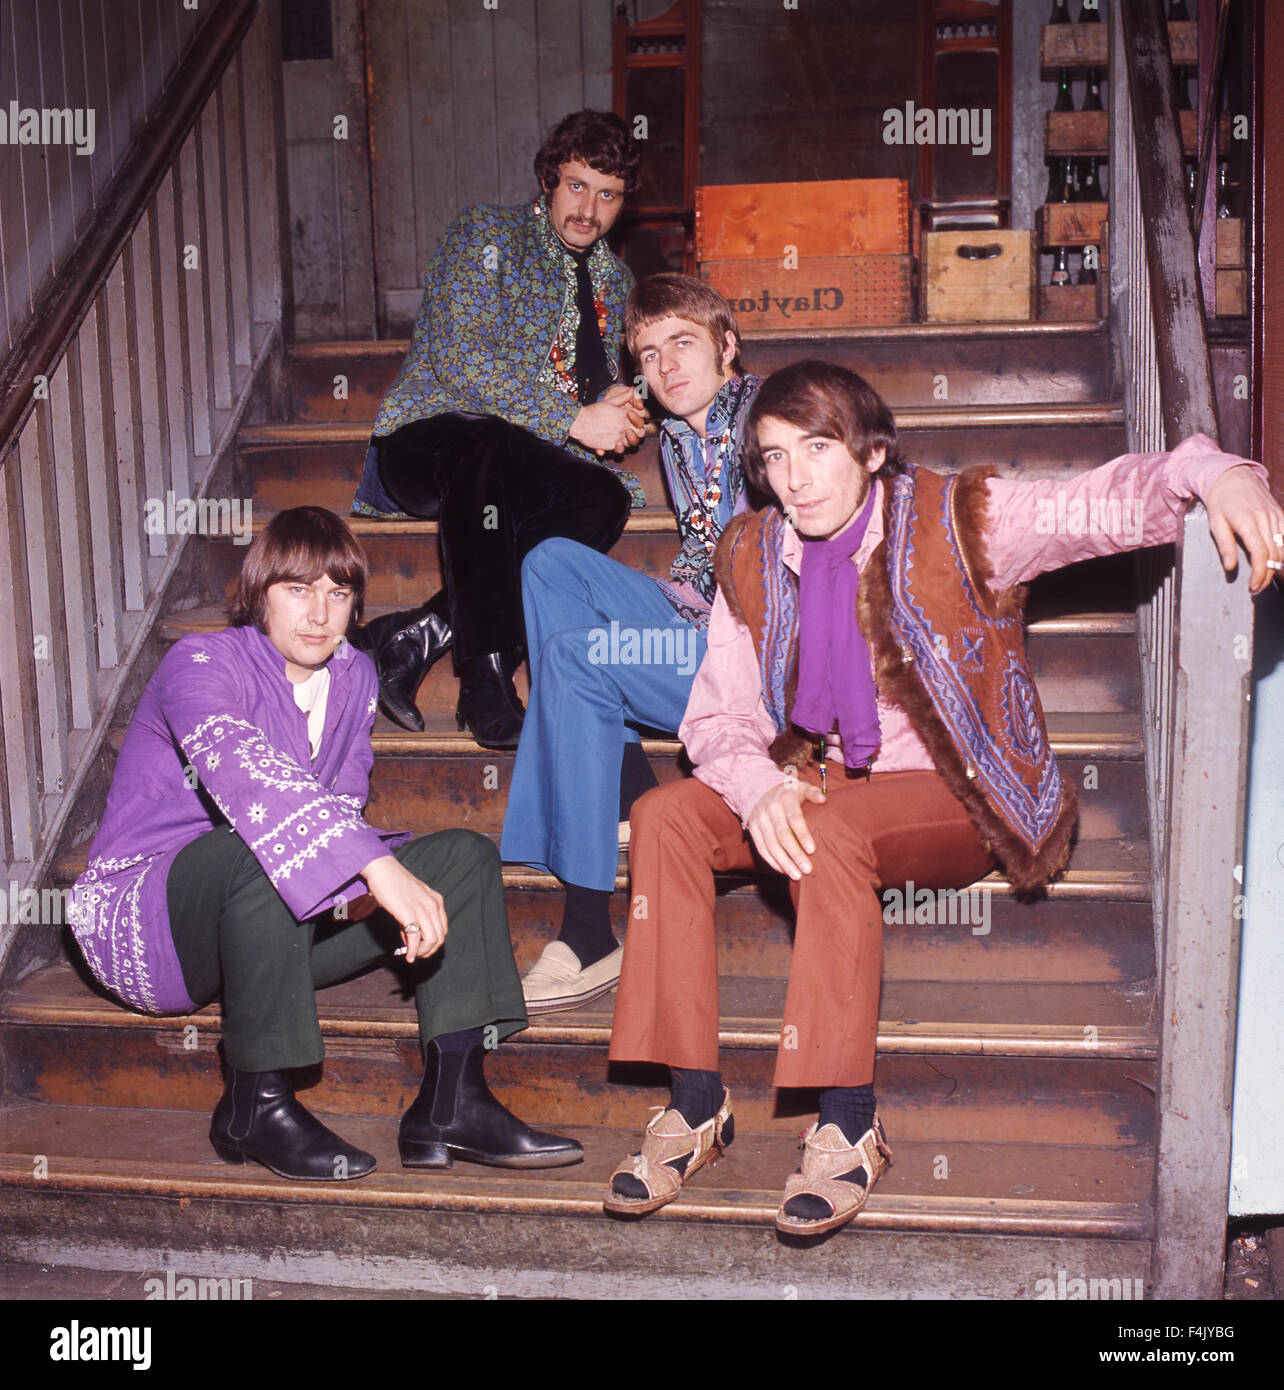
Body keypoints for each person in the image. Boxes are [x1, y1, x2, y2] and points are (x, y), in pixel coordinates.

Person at [603, 360, 1284, 1234]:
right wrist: (763, 785)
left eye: (818, 448)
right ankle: (696, 1103)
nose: (795, 477)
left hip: (948, 789)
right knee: (663, 814)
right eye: (774, 457)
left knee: (832, 834)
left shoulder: (960, 518)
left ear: (872, 451)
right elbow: (717, 717)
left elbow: (1098, 502)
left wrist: (1216, 472)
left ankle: (850, 1123)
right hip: (812, 778)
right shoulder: (750, 552)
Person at [69, 507, 582, 1180]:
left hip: (266, 934)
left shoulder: (354, 676)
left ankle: (452, 1103)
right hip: (151, 921)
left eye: (338, 593)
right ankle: (255, 1105)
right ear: (259, 592)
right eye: (298, 590)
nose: (319, 614)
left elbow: (341, 804)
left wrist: (378, 876)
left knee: (462, 856)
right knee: (258, 848)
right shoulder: (199, 661)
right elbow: (244, 771)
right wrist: (374, 865)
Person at [499, 275, 759, 1014]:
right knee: (550, 562)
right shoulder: (678, 437)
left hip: (754, 662)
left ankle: (589, 931)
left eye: (683, 342)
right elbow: (703, 556)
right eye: (648, 354)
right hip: (699, 624)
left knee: (574, 659)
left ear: (727, 347)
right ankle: (628, 789)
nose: (666, 366)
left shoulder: (766, 420)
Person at [351, 109, 649, 749]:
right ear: (548, 179)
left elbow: (590, 387)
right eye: (577, 186)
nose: (588, 211)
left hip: (525, 459)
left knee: (603, 496)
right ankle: (485, 678)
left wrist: (616, 401)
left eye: (608, 195)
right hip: (432, 440)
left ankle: (416, 633)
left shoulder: (617, 281)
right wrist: (575, 417)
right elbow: (460, 359)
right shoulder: (487, 233)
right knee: (486, 439)